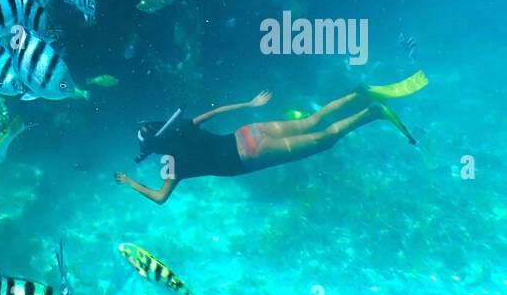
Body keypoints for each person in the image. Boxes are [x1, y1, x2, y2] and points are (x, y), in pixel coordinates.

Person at [114, 72, 428, 205]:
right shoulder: (181, 127)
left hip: (250, 153)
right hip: (249, 132)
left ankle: (371, 113)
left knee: (324, 139)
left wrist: (129, 182)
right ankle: (360, 94)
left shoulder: (171, 164)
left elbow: (160, 198)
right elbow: (216, 112)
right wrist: (251, 104)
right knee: (313, 120)